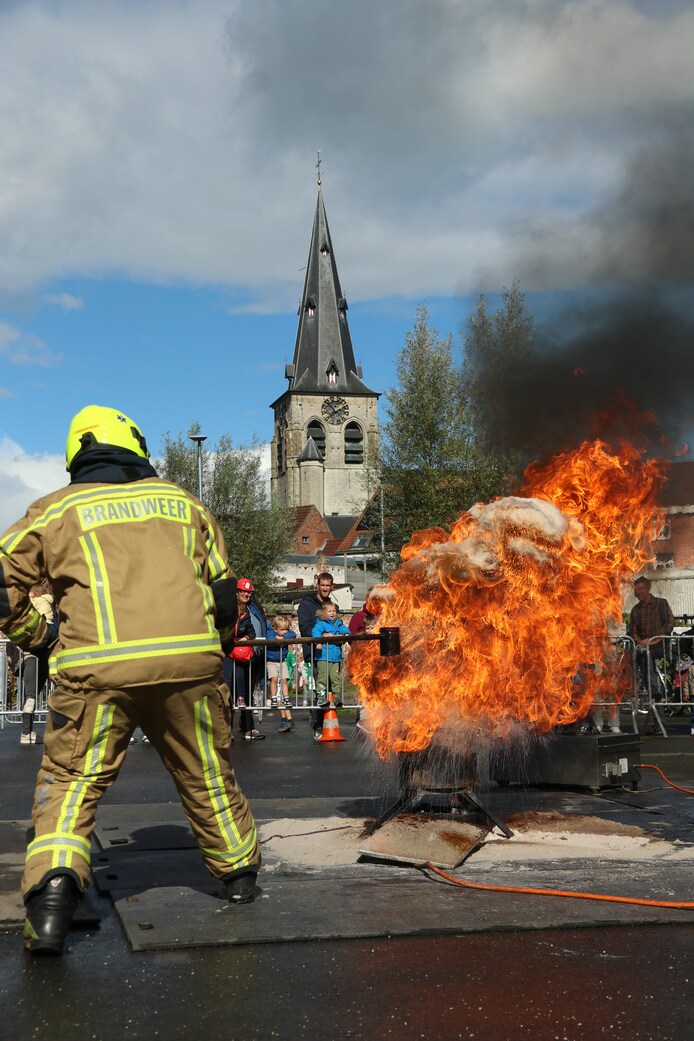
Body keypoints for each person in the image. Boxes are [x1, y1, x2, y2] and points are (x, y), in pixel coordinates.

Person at [0, 404, 260, 956]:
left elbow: (2, 586)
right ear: (136, 447)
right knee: (207, 771)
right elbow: (221, 592)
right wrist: (210, 648)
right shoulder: (185, 504)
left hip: (97, 671)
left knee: (72, 783)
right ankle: (238, 875)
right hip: (189, 666)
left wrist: (39, 638)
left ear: (77, 451)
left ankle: (50, 903)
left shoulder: (54, 511)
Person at [298, 572, 337, 737]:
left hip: (332, 654)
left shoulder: (334, 607)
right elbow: (305, 628)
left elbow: (338, 625)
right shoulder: (306, 605)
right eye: (323, 585)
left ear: (331, 587)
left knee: (329, 689)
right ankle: (317, 726)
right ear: (318, 585)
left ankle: (327, 724)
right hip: (315, 653)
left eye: (328, 586)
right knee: (319, 689)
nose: (325, 588)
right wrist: (321, 634)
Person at [19, 581, 58, 745]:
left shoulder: (28, 607)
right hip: (52, 650)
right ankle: (61, 734)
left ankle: (26, 733)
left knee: (31, 695)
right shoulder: (51, 603)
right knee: (62, 690)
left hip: (31, 653)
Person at [226, 578, 265, 741]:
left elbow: (260, 628)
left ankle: (248, 727)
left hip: (252, 656)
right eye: (243, 591)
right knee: (229, 692)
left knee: (247, 693)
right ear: (237, 592)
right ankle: (226, 731)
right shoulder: (229, 608)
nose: (246, 594)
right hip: (230, 655)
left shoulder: (255, 608)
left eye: (248, 592)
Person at [627, 577, 675, 699]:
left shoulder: (661, 603)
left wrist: (656, 639)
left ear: (648, 589)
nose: (638, 592)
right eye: (636, 589)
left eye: (641, 589)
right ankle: (631, 689)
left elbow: (670, 623)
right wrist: (640, 641)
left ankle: (653, 688)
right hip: (643, 646)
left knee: (644, 653)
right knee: (638, 653)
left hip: (660, 645)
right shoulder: (635, 610)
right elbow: (633, 631)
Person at [311, 603, 350, 740]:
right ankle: (321, 697)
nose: (332, 613)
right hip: (323, 657)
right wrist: (321, 638)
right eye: (330, 611)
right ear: (324, 612)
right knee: (322, 677)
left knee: (335, 677)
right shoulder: (321, 623)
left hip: (335, 657)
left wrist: (346, 633)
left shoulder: (338, 623)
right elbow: (315, 632)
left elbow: (345, 628)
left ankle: (338, 698)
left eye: (334, 611)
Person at [266, 615, 296, 733]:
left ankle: (288, 720)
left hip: (282, 663)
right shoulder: (270, 633)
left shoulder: (285, 634)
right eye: (282, 630)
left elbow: (292, 634)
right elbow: (269, 637)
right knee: (276, 690)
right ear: (275, 628)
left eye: (286, 630)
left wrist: (282, 637)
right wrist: (277, 639)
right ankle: (286, 719)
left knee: (283, 692)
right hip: (272, 663)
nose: (285, 632)